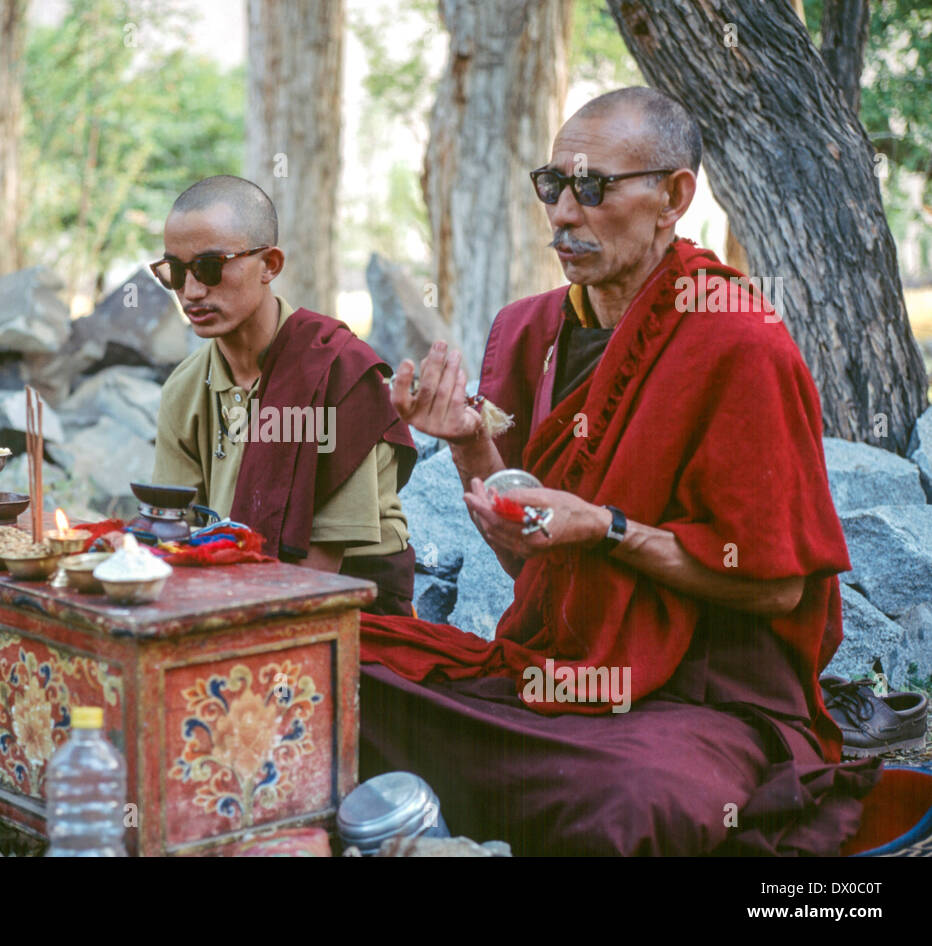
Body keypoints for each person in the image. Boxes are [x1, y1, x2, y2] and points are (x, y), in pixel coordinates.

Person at [358, 87, 879, 855]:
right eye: (553, 186)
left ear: (674, 197)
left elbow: (776, 584)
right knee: (339, 673)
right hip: (551, 674)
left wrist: (610, 530)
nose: (565, 213)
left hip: (697, 703)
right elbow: (529, 559)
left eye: (594, 188)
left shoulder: (738, 345)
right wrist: (471, 444)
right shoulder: (531, 330)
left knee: (633, 801)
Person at [151, 175, 418, 615]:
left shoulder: (336, 372)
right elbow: (171, 532)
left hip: (347, 609)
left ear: (270, 265)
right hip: (225, 594)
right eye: (175, 273)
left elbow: (315, 576)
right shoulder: (185, 389)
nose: (192, 292)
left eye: (210, 267)